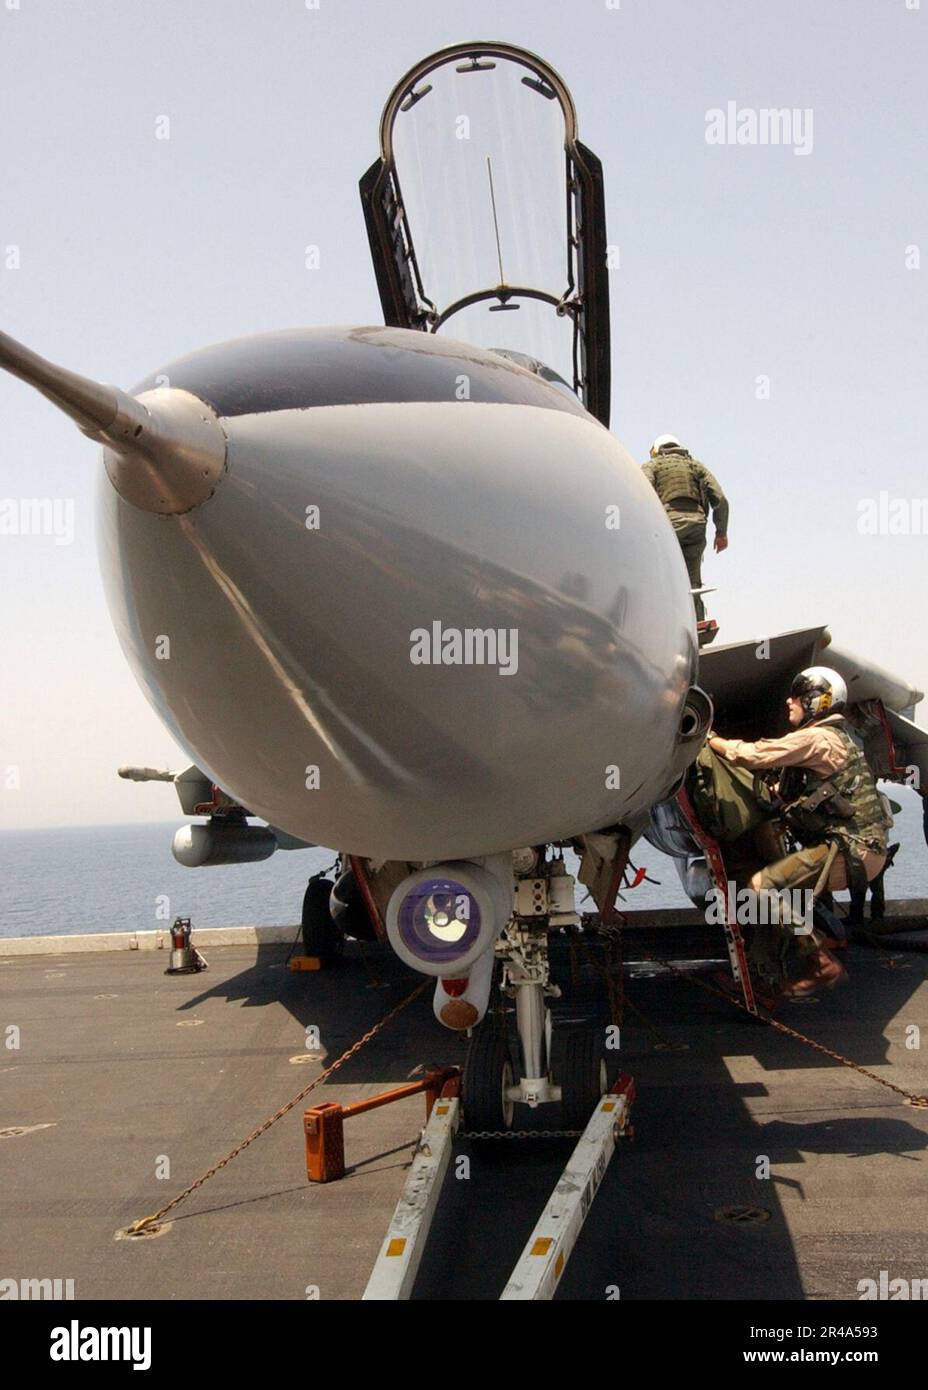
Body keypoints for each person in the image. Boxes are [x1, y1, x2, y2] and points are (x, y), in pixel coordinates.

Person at [707, 667, 890, 997]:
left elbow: (751, 755)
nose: (789, 701)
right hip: (862, 852)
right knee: (773, 895)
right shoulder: (838, 739)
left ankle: (820, 961)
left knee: (762, 887)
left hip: (849, 851)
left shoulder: (817, 739)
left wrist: (710, 738)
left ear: (815, 703)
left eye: (797, 696)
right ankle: (764, 976)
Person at [642, 435, 728, 622]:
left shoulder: (653, 466)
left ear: (656, 451)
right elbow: (720, 499)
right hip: (696, 527)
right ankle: (696, 623)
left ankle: (662, 622)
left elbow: (641, 491)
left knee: (660, 577)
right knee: (693, 583)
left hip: (667, 528)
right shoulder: (696, 466)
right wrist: (721, 533)